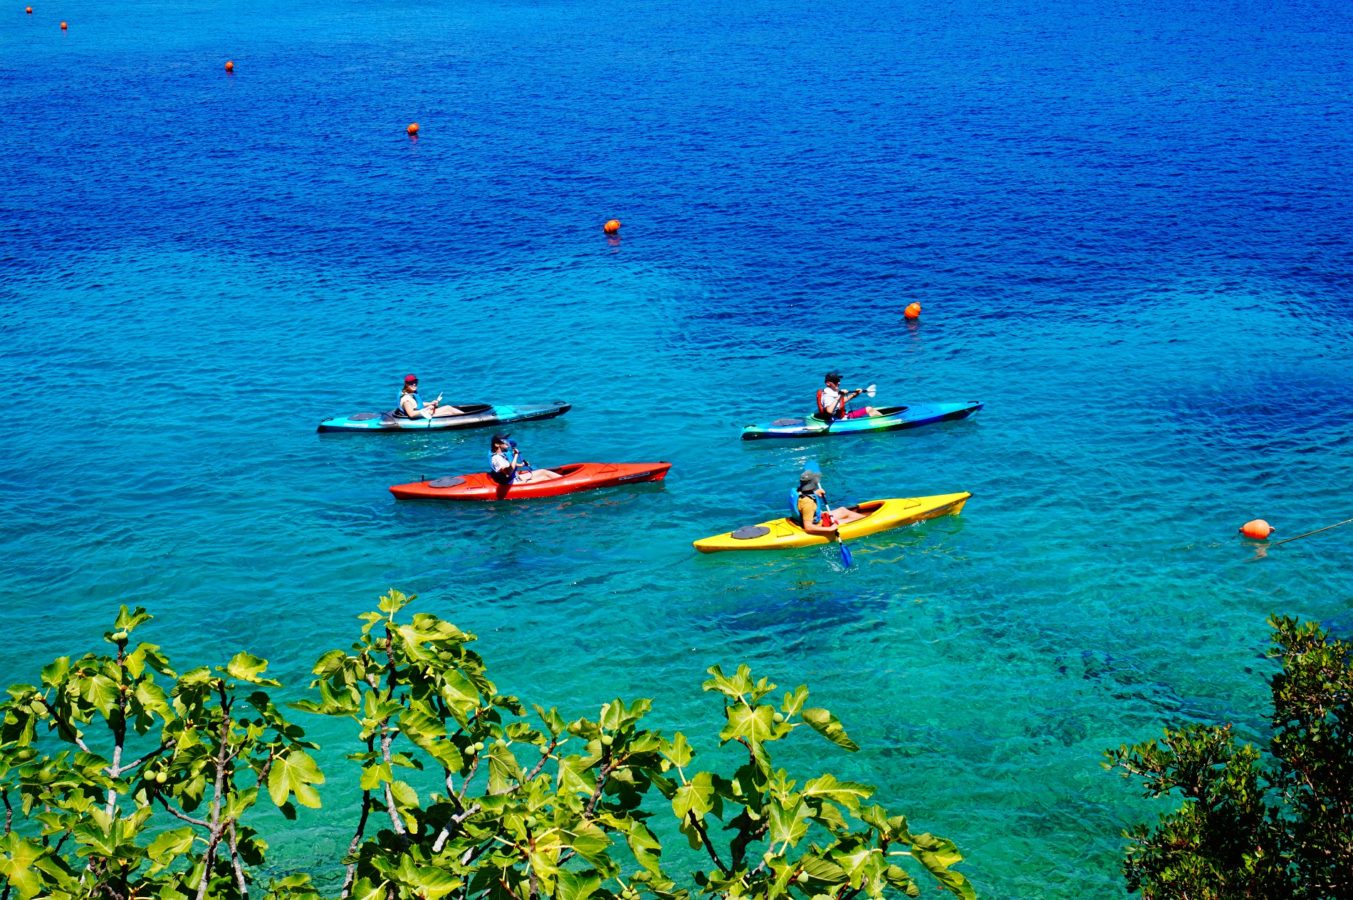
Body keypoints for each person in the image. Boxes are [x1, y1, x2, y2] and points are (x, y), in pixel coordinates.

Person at [795, 469, 865, 536]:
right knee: (856, 520)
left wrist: (815, 493)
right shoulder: (808, 503)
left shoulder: (798, 492)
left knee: (843, 510)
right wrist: (830, 529)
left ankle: (865, 517)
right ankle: (868, 520)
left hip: (819, 518)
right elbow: (808, 527)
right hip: (821, 525)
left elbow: (803, 497)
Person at [489, 434, 562, 484]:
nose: (507, 443)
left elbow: (507, 465)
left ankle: (565, 479)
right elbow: (508, 472)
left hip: (516, 478)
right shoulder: (497, 458)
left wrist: (521, 464)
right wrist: (516, 456)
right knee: (545, 477)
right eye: (504, 441)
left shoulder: (501, 455)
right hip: (512, 483)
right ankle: (566, 483)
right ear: (497, 444)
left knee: (543, 471)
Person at [815, 372, 879, 422]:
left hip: (840, 417)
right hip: (839, 420)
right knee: (869, 409)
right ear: (828, 383)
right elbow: (829, 410)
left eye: (838, 380)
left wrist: (855, 394)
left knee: (870, 409)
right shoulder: (827, 396)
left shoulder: (831, 392)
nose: (839, 383)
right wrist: (840, 395)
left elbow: (840, 402)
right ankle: (880, 423)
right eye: (835, 381)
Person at [396, 374, 464, 419]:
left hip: (424, 413)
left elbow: (417, 405)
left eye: (415, 382)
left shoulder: (411, 393)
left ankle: (465, 416)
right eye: (411, 383)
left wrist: (431, 403)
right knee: (448, 411)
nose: (414, 384)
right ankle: (466, 417)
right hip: (422, 416)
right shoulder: (406, 400)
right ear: (406, 384)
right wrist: (426, 409)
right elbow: (411, 414)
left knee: (448, 408)